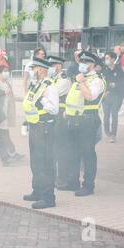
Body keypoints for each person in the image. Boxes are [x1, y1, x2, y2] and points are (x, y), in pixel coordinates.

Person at [65, 51, 106, 197]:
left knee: (87, 154)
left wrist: (81, 82)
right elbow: (73, 99)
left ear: (94, 65)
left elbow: (89, 96)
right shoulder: (80, 78)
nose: (83, 64)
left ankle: (88, 185)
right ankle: (73, 182)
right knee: (73, 153)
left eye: (87, 62)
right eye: (81, 61)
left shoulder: (97, 80)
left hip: (88, 120)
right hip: (75, 119)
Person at [22, 57, 59, 209]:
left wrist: (43, 100)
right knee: (35, 162)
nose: (32, 71)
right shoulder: (36, 86)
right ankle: (37, 191)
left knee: (45, 163)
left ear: (42, 70)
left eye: (34, 68)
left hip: (45, 128)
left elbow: (54, 109)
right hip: (35, 127)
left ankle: (48, 197)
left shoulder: (49, 87)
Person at [47, 56, 72, 189]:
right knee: (52, 149)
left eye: (52, 65)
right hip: (52, 116)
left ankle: (62, 179)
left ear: (59, 66)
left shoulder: (64, 80)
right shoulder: (52, 80)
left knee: (60, 149)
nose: (50, 67)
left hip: (61, 117)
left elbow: (51, 94)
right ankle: (53, 177)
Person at [0, 66, 24, 166]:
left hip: (5, 111)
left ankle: (9, 153)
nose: (7, 73)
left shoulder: (7, 83)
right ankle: (9, 154)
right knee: (2, 134)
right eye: (5, 71)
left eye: (7, 71)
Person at [102, 52, 124, 142]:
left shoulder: (119, 70)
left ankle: (113, 135)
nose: (106, 60)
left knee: (114, 115)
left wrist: (116, 85)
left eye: (107, 58)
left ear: (113, 59)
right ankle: (107, 131)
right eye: (105, 58)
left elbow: (123, 83)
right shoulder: (104, 69)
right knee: (106, 115)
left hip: (116, 96)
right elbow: (102, 82)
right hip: (106, 96)